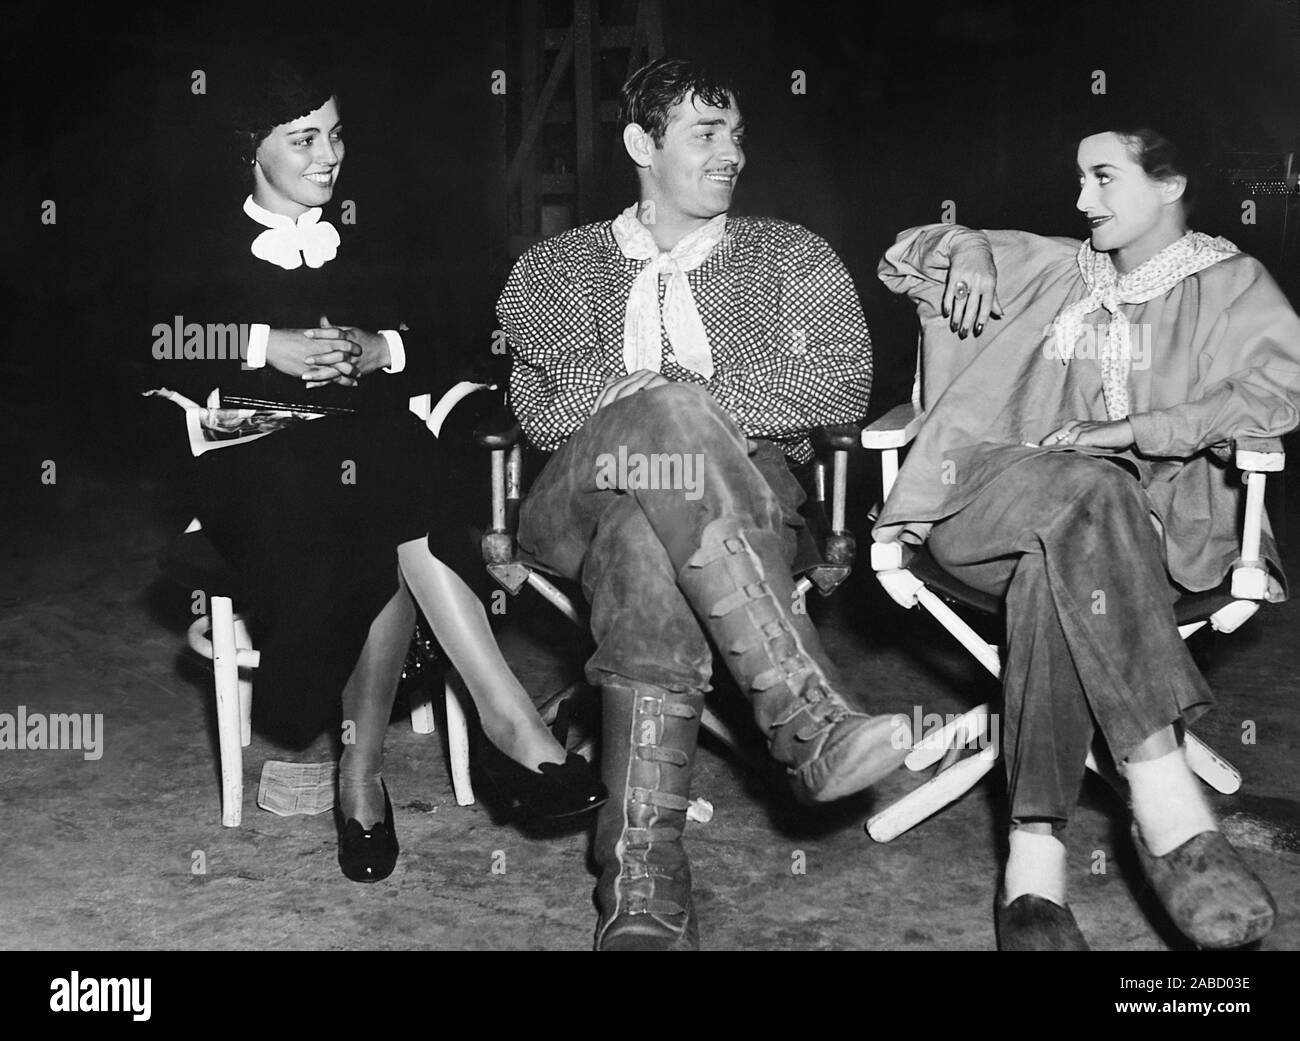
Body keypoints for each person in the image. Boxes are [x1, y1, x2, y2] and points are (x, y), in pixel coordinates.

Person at [144, 59, 604, 884]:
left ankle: (373, 775)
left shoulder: (373, 231)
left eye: (337, 132)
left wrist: (379, 347)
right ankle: (499, 731)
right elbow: (137, 345)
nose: (330, 155)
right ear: (253, 149)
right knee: (392, 479)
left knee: (390, 471)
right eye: (305, 138)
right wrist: (259, 346)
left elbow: (466, 338)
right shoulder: (192, 240)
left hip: (368, 450)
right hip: (254, 461)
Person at [497, 57, 913, 951]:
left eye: (737, 135)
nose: (733, 155)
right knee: (666, 420)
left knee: (651, 538)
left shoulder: (792, 256)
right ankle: (806, 719)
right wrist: (663, 405)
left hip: (747, 508)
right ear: (641, 144)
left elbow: (839, 385)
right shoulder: (556, 267)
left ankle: (641, 882)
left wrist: (671, 394)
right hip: (579, 496)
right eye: (706, 135)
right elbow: (538, 402)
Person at [875, 122, 1300, 949]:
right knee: (1086, 494)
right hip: (986, 509)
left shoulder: (1234, 285)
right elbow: (905, 254)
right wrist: (963, 246)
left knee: (1067, 548)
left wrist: (1140, 428)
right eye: (1077, 179)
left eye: (1103, 178)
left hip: (1138, 546)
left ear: (1170, 186)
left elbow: (1280, 392)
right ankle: (1166, 797)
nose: (1079, 199)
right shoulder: (1056, 264)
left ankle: (1032, 870)